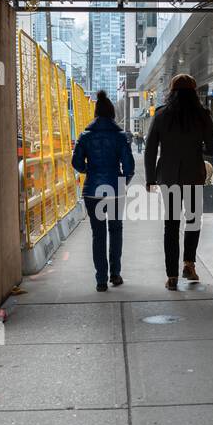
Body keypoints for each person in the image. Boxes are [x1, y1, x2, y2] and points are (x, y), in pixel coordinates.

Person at [144, 73, 213, 290]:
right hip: (194, 176)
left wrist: (150, 179)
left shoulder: (161, 115)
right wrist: (198, 149)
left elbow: (150, 150)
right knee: (193, 220)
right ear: (194, 93)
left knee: (171, 225)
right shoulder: (202, 115)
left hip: (168, 178)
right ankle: (189, 264)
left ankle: (171, 277)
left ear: (171, 92)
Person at [72, 90, 135, 291]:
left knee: (97, 234)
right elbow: (129, 166)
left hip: (92, 191)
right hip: (115, 190)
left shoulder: (85, 136)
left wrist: (88, 170)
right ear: (112, 113)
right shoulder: (121, 137)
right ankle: (115, 274)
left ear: (96, 112)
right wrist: (123, 181)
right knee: (116, 230)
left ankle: (100, 280)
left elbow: (76, 163)